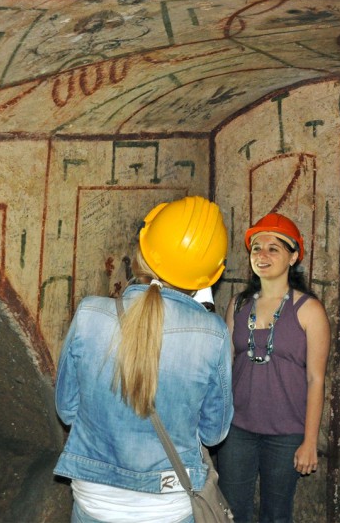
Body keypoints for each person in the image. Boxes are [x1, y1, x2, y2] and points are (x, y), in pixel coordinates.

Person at [53, 196, 234, 523]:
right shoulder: (213, 333)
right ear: (209, 275)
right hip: (168, 505)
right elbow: (214, 433)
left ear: (143, 251)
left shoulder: (90, 314)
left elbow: (67, 410)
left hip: (94, 498)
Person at [217, 213, 330, 523]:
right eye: (256, 248)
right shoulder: (239, 305)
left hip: (287, 432)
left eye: (273, 248)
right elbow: (224, 367)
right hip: (237, 428)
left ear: (293, 256)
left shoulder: (309, 309)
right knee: (231, 511)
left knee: (276, 515)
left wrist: (310, 441)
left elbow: (316, 379)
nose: (262, 255)